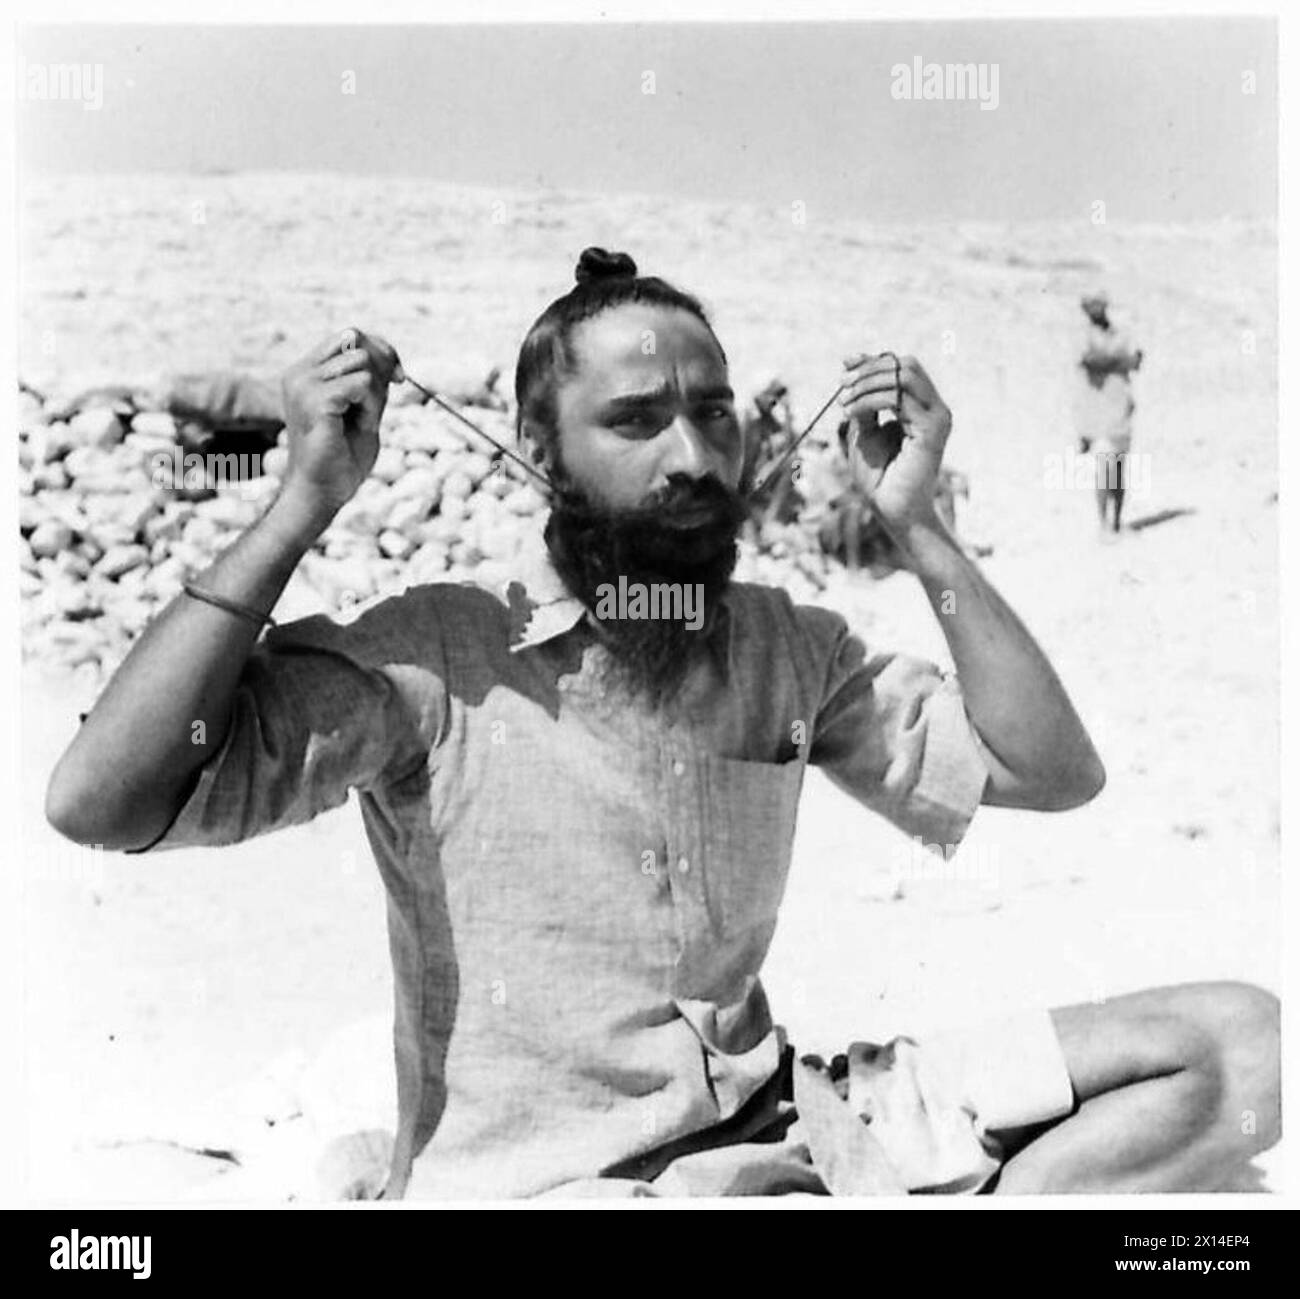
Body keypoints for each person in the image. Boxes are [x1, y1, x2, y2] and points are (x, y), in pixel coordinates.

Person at [47, 247, 1278, 1199]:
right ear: (541, 449)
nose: (692, 455)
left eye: (714, 413)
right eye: (636, 421)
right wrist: (300, 503)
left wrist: (918, 526)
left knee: (1240, 1048)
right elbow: (101, 804)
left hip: (788, 1127)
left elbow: (1046, 772)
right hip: (560, 1187)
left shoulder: (786, 647)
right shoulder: (435, 662)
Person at [1073, 292, 1143, 534]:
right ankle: (1103, 522)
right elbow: (1091, 362)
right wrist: (1120, 361)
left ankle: (1116, 522)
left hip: (1120, 408)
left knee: (1119, 469)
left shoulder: (1118, 332)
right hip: (1097, 412)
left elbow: (1137, 360)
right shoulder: (1083, 335)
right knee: (1104, 468)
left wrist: (1112, 361)